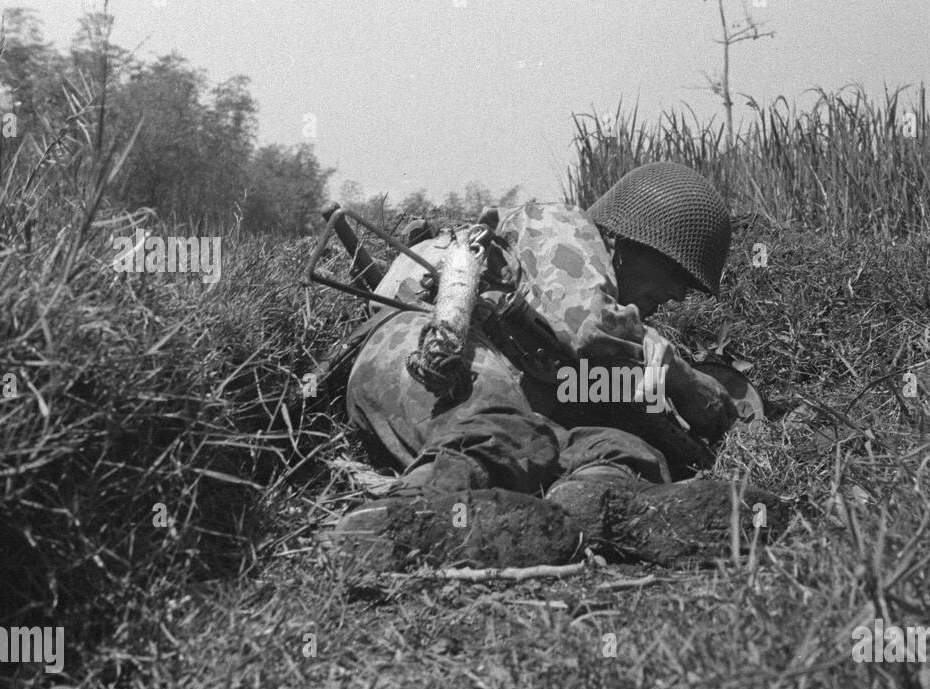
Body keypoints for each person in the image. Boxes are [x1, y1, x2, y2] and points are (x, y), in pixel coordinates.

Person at [331, 162, 782, 569]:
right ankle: (401, 522)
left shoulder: (591, 330)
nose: (680, 296)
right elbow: (589, 325)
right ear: (630, 241)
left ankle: (598, 505)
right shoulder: (565, 224)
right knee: (498, 428)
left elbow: (580, 382)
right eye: (677, 274)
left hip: (490, 375)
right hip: (423, 346)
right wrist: (682, 378)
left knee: (610, 445)